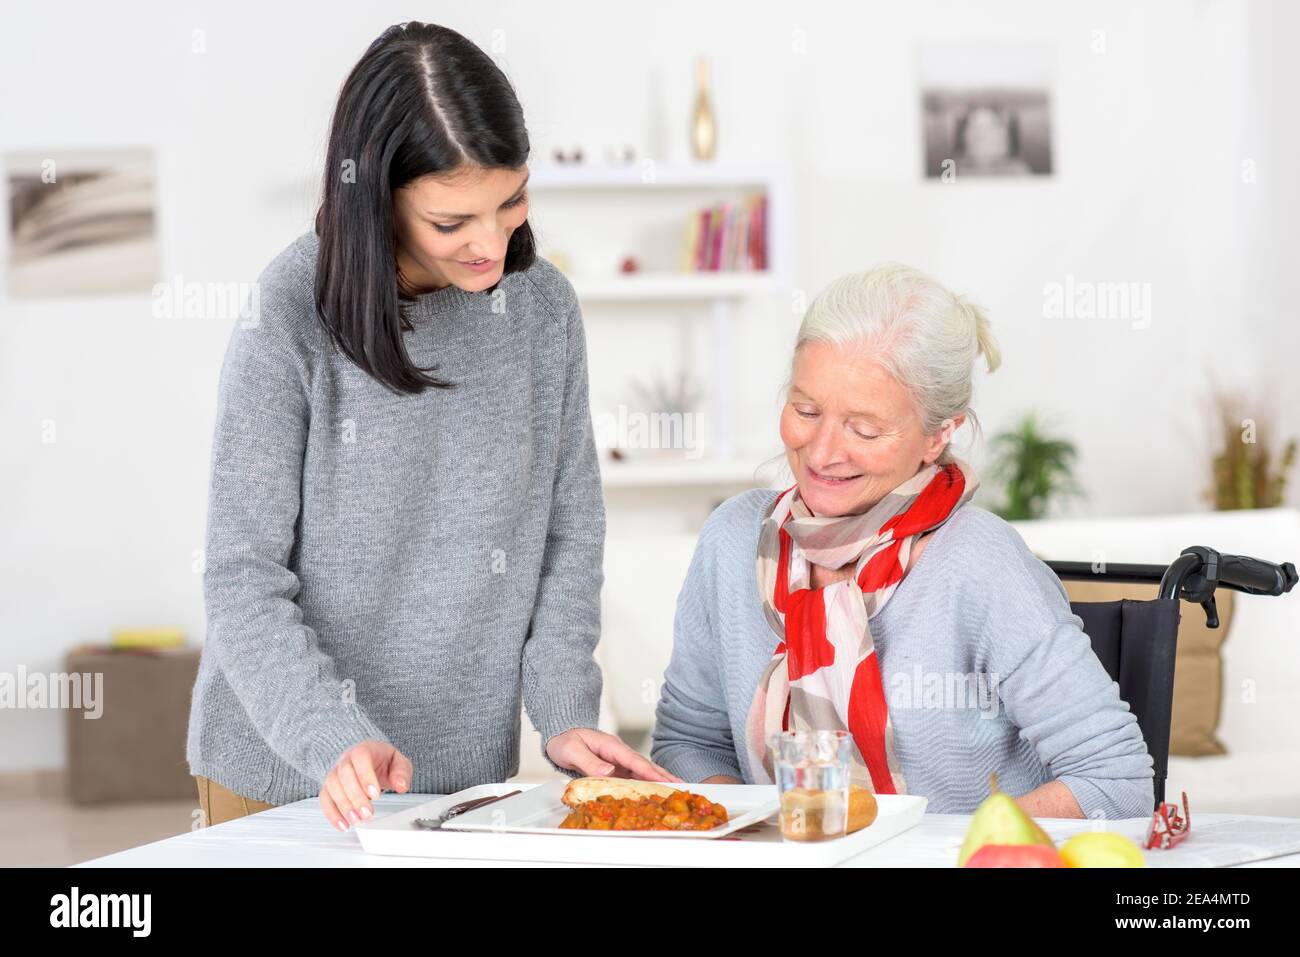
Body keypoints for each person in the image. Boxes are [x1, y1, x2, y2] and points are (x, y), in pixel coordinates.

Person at [188, 21, 676, 832]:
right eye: (452, 223)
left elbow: (569, 526)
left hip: (463, 788)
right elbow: (242, 577)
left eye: (512, 201)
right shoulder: (288, 313)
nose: (491, 243)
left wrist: (565, 708)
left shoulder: (544, 311)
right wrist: (333, 736)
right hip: (284, 777)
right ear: (376, 199)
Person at [651, 263, 1154, 819]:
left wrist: (934, 853)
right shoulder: (732, 539)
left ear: (938, 435)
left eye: (864, 429)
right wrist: (771, 837)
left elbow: (1118, 782)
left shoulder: (980, 562)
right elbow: (688, 745)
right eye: (806, 411)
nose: (820, 453)